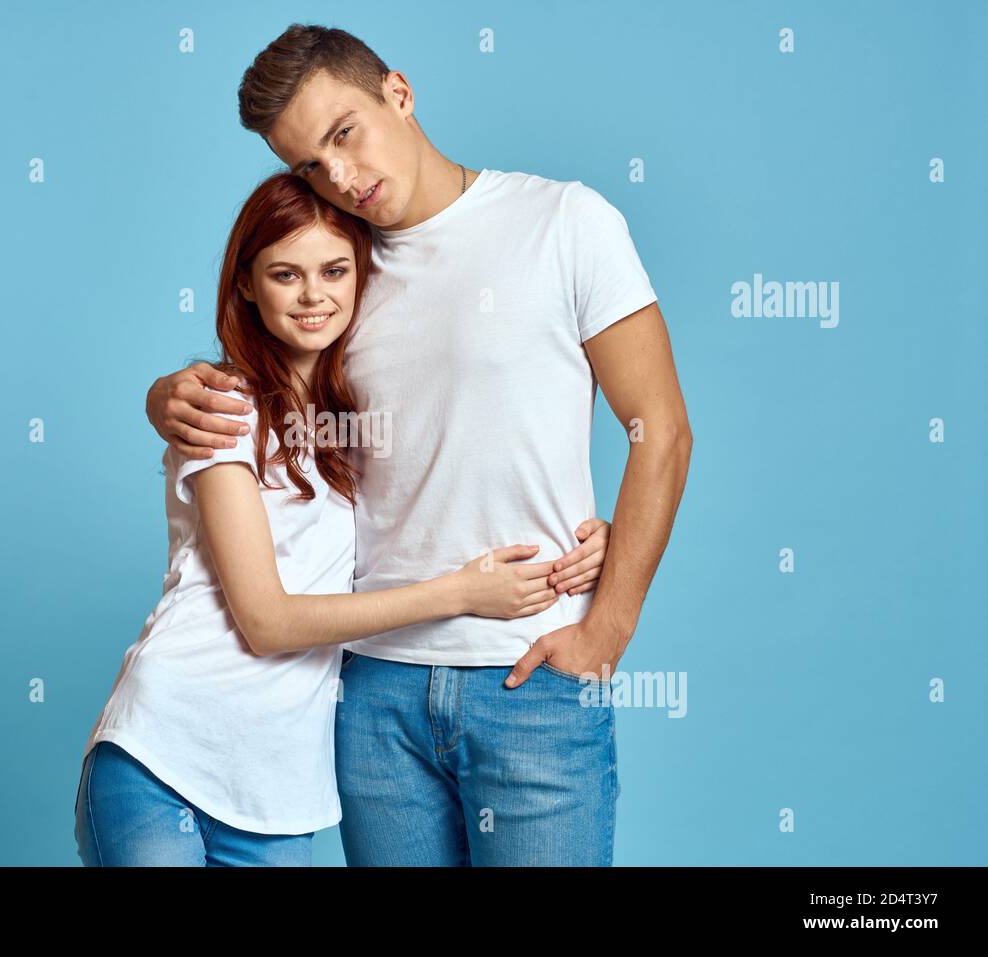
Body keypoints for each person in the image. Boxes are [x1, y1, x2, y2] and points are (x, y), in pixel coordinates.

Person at [145, 24, 693, 866]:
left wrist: (606, 629)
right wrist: (167, 394)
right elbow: (258, 390)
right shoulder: (339, 270)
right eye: (308, 167)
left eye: (343, 134)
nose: (340, 177)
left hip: (532, 673)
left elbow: (661, 429)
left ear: (398, 93)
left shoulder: (564, 220)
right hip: (372, 693)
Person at [75, 171, 615, 867]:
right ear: (246, 284)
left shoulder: (357, 425)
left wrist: (583, 534)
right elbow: (267, 621)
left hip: (276, 792)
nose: (313, 295)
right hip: (163, 751)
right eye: (284, 273)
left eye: (334, 270)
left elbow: (460, 468)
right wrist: (461, 591)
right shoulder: (226, 407)